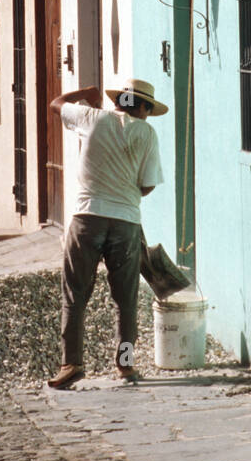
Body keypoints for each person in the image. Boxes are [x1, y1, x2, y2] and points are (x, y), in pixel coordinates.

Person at [48, 77, 166, 389]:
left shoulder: (90, 117)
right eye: (147, 108)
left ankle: (70, 363)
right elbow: (147, 184)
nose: (146, 113)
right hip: (126, 221)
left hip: (87, 218)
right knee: (125, 299)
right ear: (140, 105)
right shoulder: (146, 133)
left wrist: (84, 94)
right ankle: (125, 365)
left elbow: (56, 104)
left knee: (75, 294)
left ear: (119, 100)